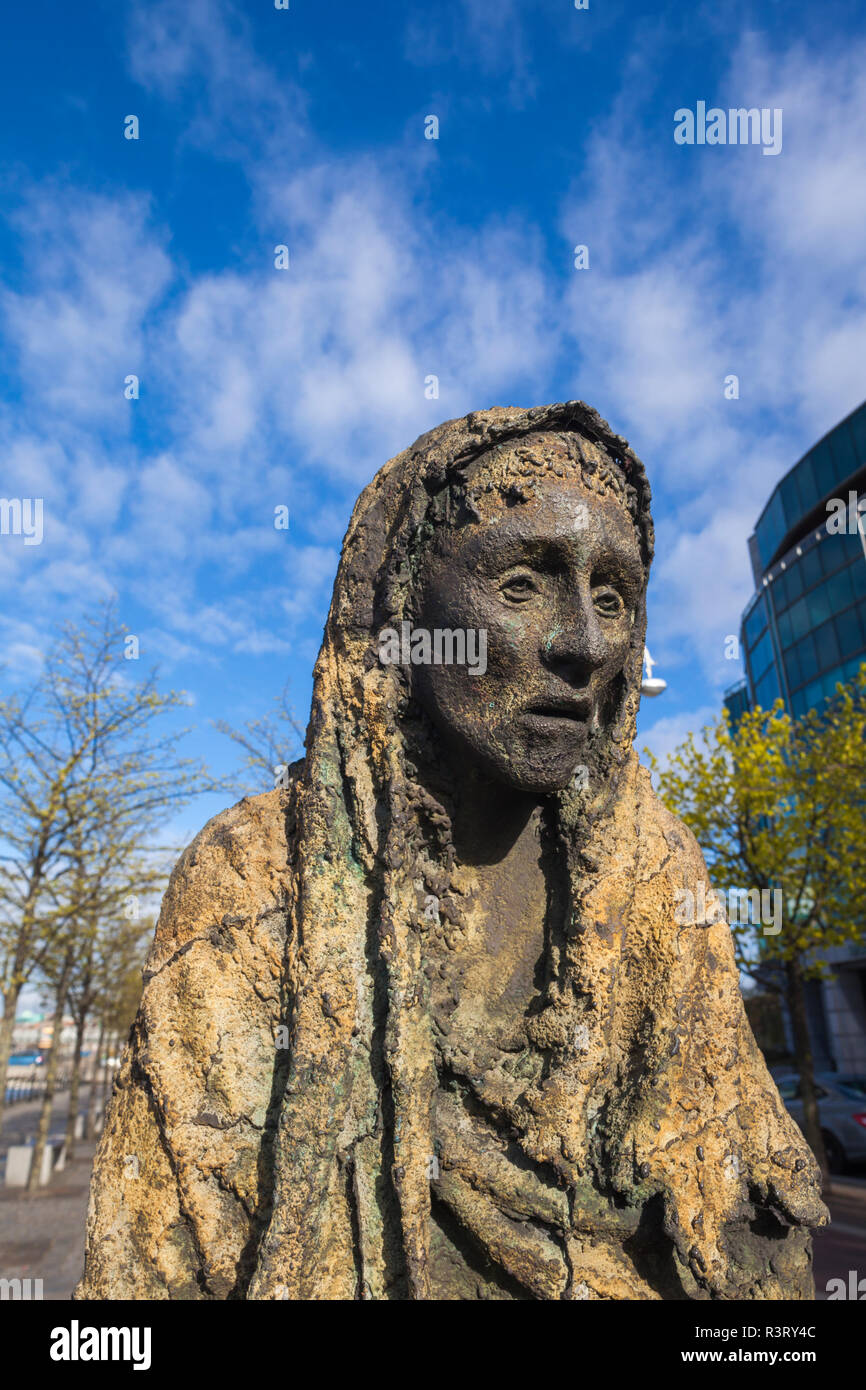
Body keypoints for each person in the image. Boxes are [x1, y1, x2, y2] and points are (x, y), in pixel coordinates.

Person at [76, 401, 827, 1301]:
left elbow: (750, 1243)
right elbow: (147, 1283)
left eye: (614, 598)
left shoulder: (659, 876)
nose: (583, 644)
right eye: (520, 584)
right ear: (404, 610)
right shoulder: (254, 874)